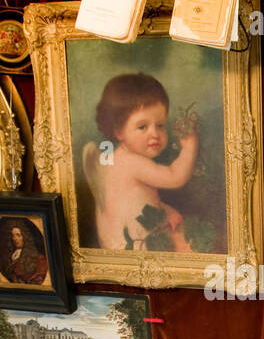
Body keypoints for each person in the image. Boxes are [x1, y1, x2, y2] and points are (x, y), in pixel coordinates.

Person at [82, 73, 197, 252]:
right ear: (119, 131)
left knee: (181, 236)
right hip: (133, 246)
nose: (155, 134)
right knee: (187, 245)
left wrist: (166, 211)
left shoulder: (117, 158)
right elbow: (175, 177)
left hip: (123, 241)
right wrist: (189, 149)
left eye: (160, 125)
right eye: (142, 127)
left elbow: (139, 201)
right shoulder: (131, 163)